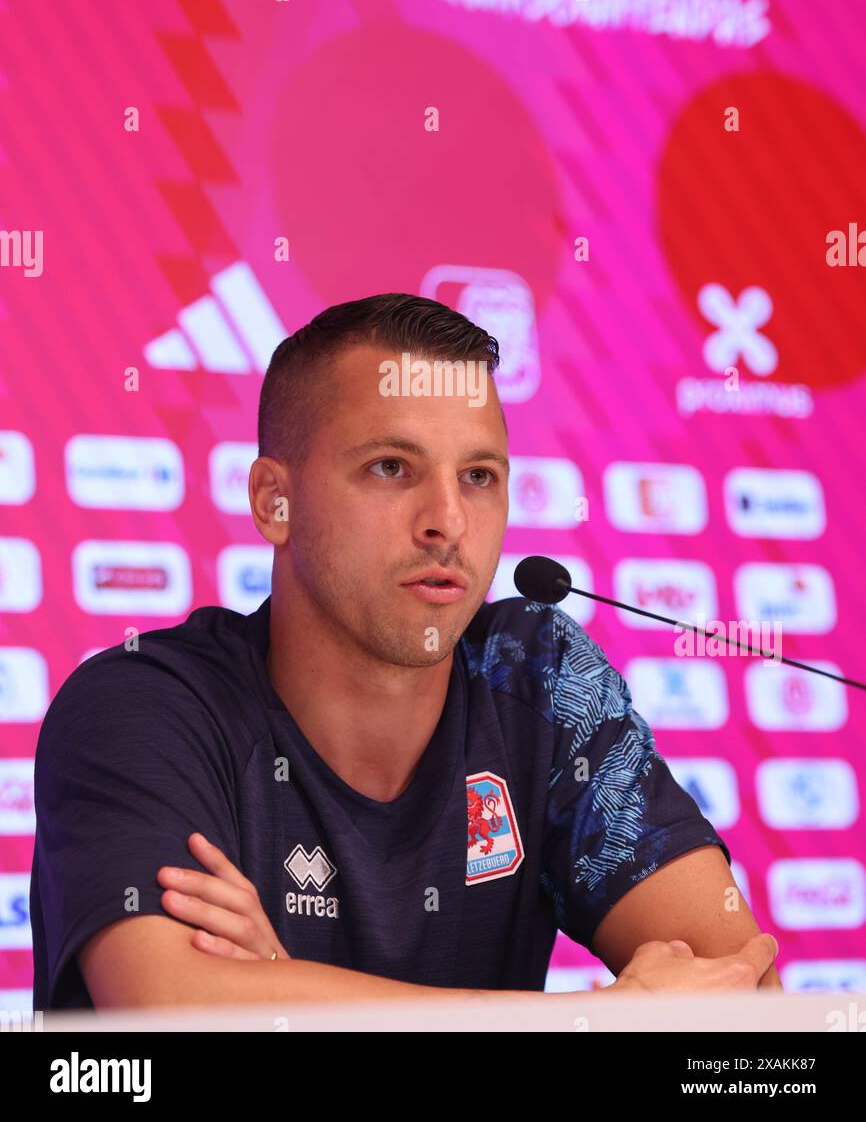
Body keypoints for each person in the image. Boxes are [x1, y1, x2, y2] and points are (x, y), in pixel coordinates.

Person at [30, 292, 781, 1010]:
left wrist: (284, 995)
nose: (448, 521)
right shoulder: (142, 706)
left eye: (479, 477)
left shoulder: (538, 679)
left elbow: (743, 995)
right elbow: (174, 1006)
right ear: (273, 501)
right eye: (391, 467)